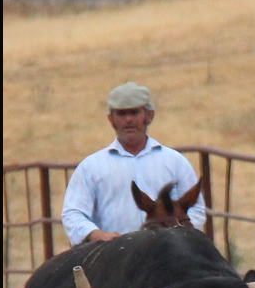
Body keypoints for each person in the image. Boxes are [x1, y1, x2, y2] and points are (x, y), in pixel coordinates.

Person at [61, 81, 206, 245]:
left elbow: (196, 210)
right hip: (112, 254)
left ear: (149, 116)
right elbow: (73, 213)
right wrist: (96, 234)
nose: (128, 119)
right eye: (121, 114)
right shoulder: (91, 167)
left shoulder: (175, 161)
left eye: (134, 112)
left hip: (167, 252)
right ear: (111, 119)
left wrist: (176, 234)